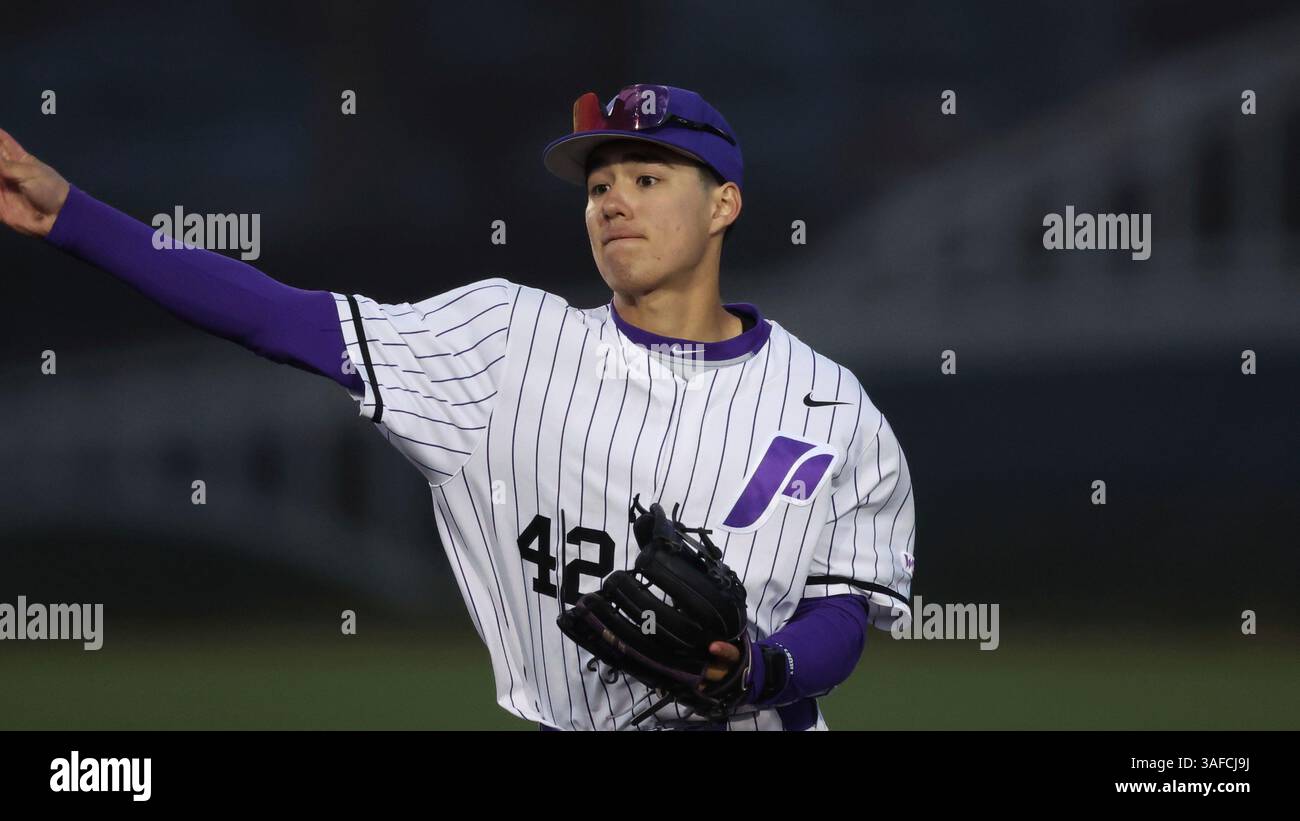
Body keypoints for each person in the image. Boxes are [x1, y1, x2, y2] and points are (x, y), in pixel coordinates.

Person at [0, 83, 915, 730]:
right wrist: (75, 218)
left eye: (647, 178)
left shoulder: (834, 405)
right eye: (599, 184)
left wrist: (764, 668)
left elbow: (841, 612)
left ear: (724, 206)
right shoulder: (501, 343)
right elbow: (280, 318)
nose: (612, 203)